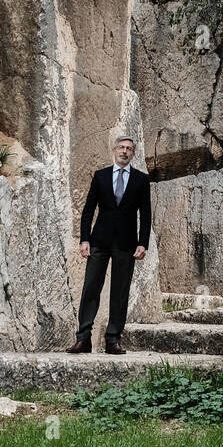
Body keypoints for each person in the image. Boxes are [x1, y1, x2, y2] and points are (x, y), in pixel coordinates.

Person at [67, 135, 151, 354]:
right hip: (99, 241)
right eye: (121, 147)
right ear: (114, 150)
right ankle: (83, 338)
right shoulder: (100, 176)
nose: (125, 151)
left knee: (120, 291)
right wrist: (84, 239)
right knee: (90, 288)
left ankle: (113, 339)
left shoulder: (141, 180)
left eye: (129, 149)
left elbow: (146, 214)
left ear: (133, 154)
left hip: (127, 243)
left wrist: (143, 243)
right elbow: (88, 210)